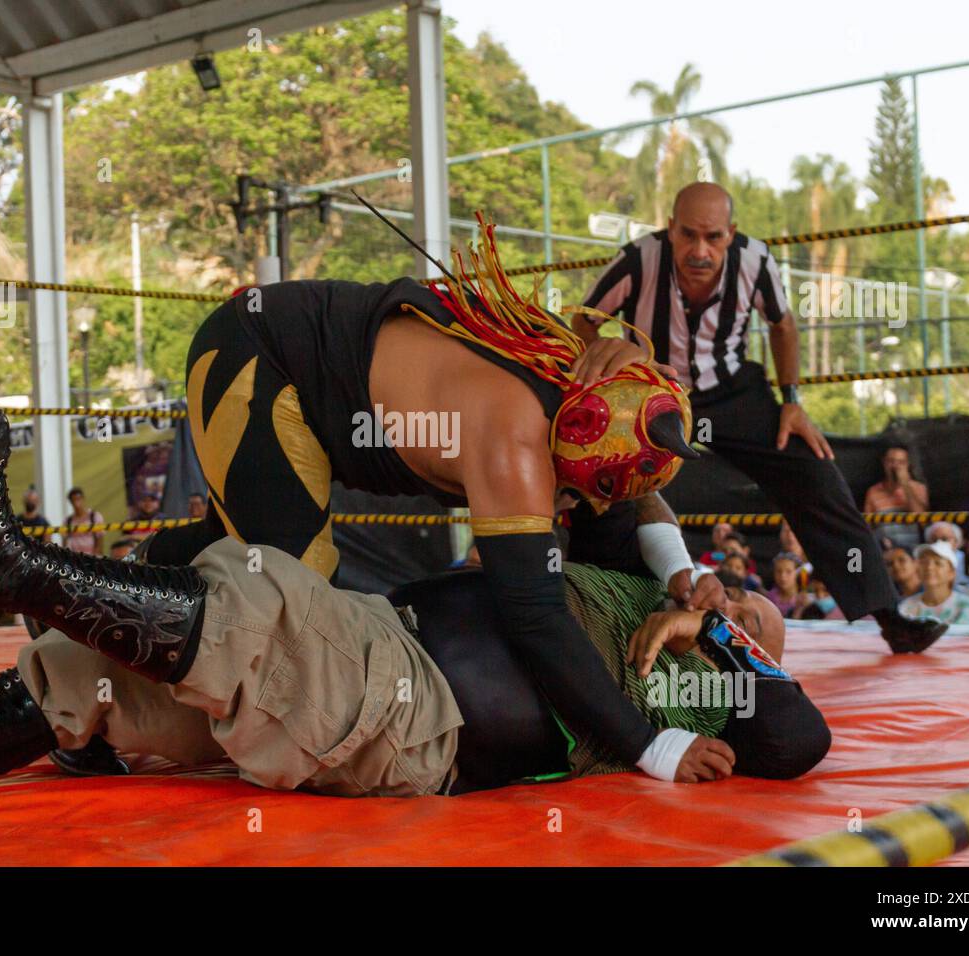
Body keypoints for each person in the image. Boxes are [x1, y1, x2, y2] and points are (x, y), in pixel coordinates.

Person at [0, 405, 828, 836]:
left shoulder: (697, 688)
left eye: (759, 625)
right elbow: (630, 475)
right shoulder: (635, 576)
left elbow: (798, 737)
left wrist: (719, 637)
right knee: (90, 672)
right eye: (744, 600)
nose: (744, 608)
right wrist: (688, 573)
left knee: (255, 596)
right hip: (377, 654)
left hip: (419, 716)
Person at [128, 221, 728, 784]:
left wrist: (683, 572)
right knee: (291, 602)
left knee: (234, 556)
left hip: (311, 378)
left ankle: (124, 579)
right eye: (573, 492)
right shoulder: (514, 435)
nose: (566, 505)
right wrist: (649, 745)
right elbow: (534, 616)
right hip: (261, 356)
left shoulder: (592, 381)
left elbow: (630, 504)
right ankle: (101, 667)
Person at [577, 182, 943, 654]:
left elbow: (782, 324)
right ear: (670, 230)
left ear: (731, 234)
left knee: (814, 469)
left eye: (712, 237)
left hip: (734, 393)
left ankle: (889, 614)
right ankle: (604, 607)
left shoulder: (756, 260)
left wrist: (791, 400)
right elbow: (585, 318)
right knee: (613, 471)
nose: (699, 250)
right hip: (655, 391)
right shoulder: (639, 259)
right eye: (687, 235)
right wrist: (617, 370)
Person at [898, 541, 969, 626]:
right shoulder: (906, 606)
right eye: (923, 562)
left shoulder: (966, 606)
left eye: (938, 563)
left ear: (951, 573)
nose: (929, 567)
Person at [62, 487, 104, 556]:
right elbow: (65, 543)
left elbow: (100, 540)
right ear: (71, 502)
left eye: (78, 499)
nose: (76, 503)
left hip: (92, 557)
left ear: (83, 499)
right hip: (75, 559)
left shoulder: (95, 516)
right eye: (73, 500)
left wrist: (96, 558)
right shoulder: (67, 521)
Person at [924, 521, 968, 586]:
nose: (939, 543)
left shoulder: (967, 560)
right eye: (934, 539)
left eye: (944, 539)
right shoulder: (923, 562)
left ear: (956, 542)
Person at [765, 552, 806, 617]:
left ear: (797, 573)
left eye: (788, 571)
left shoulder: (804, 599)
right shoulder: (769, 599)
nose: (782, 576)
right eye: (778, 571)